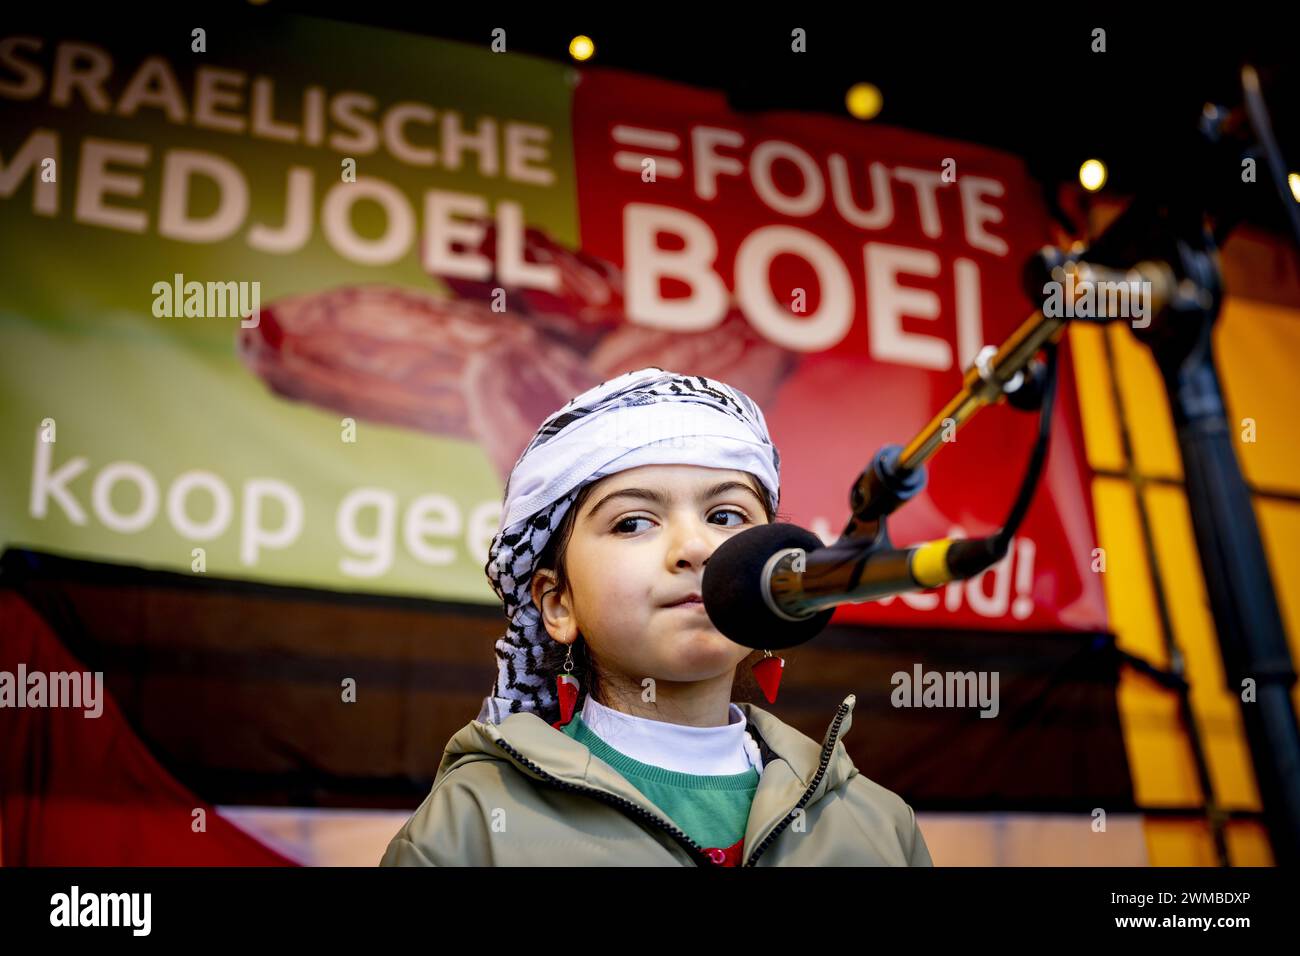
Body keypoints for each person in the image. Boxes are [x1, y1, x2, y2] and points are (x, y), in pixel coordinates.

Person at [380, 367, 933, 866]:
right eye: (633, 523)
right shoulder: (469, 826)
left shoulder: (879, 824)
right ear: (557, 603)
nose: (694, 547)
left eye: (725, 515)